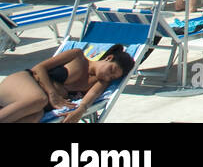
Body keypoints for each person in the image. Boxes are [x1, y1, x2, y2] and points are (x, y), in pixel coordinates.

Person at [0, 44, 135, 123]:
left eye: (113, 77)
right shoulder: (77, 56)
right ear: (108, 58)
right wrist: (52, 94)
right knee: (39, 100)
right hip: (24, 81)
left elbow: (90, 98)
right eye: (111, 70)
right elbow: (39, 68)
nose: (108, 76)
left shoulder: (101, 81)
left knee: (36, 116)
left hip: (32, 105)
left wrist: (80, 110)